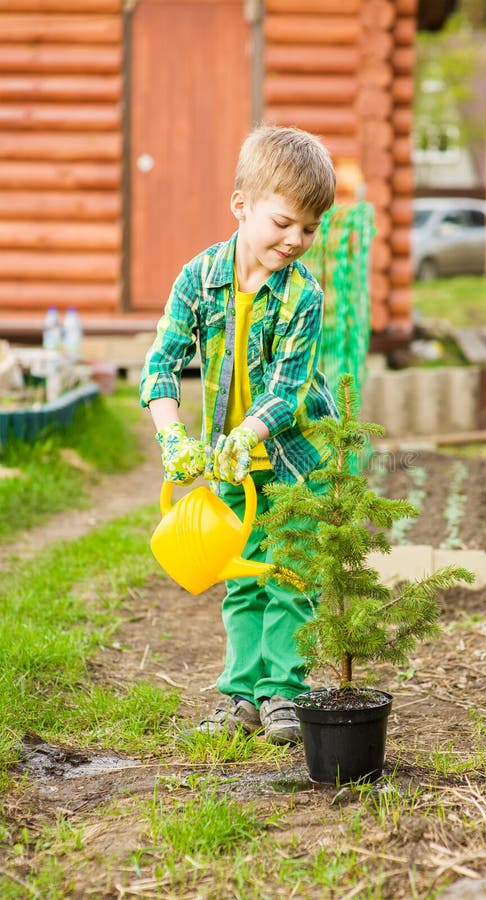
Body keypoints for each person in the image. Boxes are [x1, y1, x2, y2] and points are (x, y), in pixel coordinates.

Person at [139, 125, 337, 744]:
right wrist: (172, 436)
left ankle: (283, 692)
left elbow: (288, 390)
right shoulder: (198, 279)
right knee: (240, 573)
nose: (295, 240)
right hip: (230, 465)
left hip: (293, 457)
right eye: (283, 223)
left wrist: (243, 434)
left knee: (290, 575)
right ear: (241, 205)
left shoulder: (304, 296)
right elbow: (161, 364)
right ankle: (239, 694)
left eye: (310, 228)